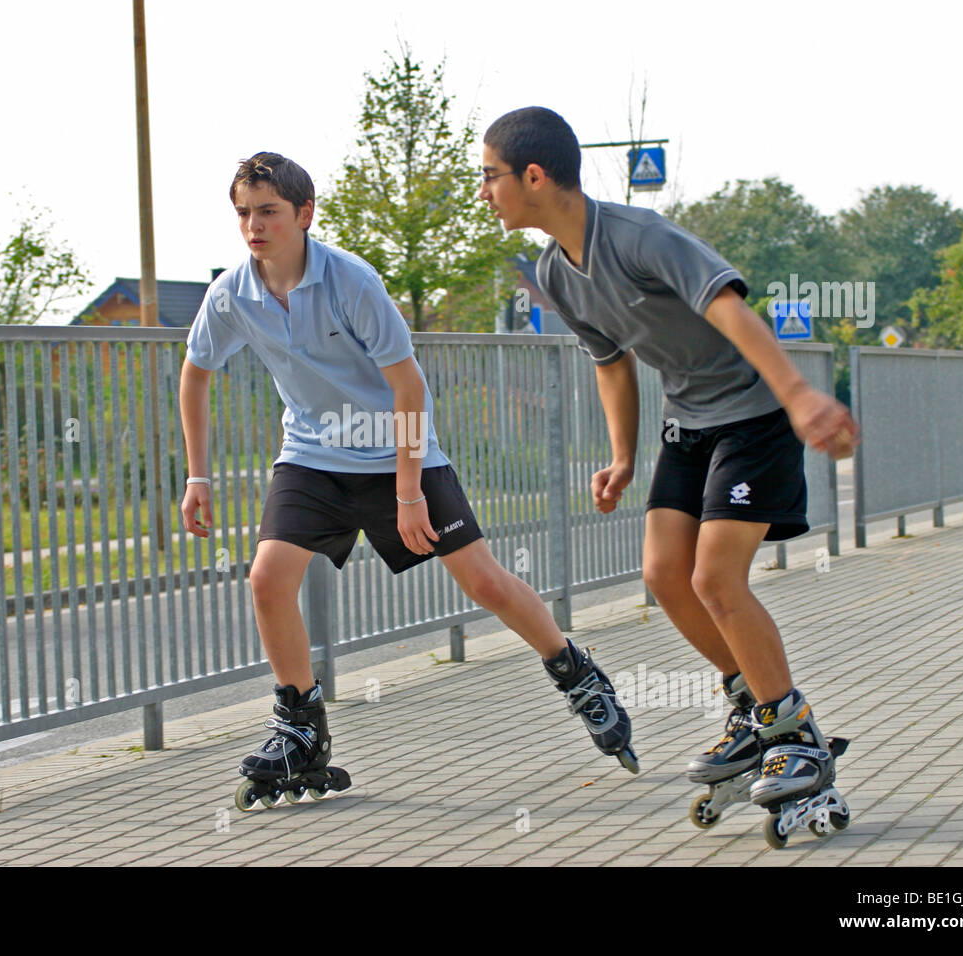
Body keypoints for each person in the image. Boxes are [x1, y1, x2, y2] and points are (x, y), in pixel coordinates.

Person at [180, 152, 638, 809]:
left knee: (482, 580)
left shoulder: (350, 282)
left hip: (399, 454)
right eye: (244, 213)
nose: (254, 226)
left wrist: (407, 491)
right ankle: (299, 728)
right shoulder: (232, 294)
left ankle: (577, 674)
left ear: (304, 215)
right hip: (311, 456)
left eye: (269, 212)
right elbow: (196, 372)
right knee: (266, 577)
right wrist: (198, 475)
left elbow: (409, 386)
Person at [479, 108, 859, 844]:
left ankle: (794, 732)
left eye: (490, 175)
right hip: (687, 425)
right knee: (663, 575)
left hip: (753, 414)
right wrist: (623, 456)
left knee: (717, 580)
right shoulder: (557, 271)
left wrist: (800, 393)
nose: (485, 191)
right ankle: (756, 707)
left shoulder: (640, 237)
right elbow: (611, 362)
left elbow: (729, 308)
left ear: (533, 176)